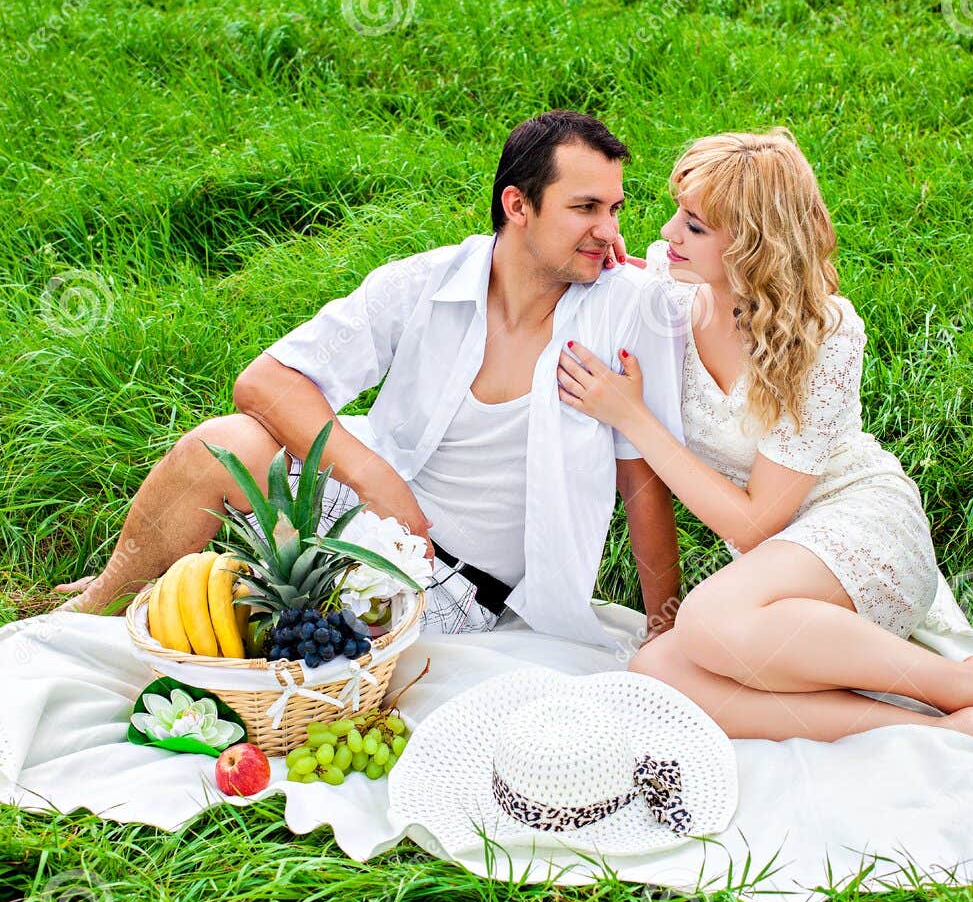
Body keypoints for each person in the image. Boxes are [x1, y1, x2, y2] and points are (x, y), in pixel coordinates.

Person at [56, 110, 687, 648]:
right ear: (517, 205)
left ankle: (197, 608)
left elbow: (641, 479)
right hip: (365, 509)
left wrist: (664, 628)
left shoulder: (623, 309)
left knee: (288, 632)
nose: (607, 231)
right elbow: (265, 380)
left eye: (613, 209)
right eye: (585, 208)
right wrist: (375, 479)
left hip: (449, 583)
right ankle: (103, 602)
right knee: (222, 445)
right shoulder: (427, 281)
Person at [557, 129, 973, 744]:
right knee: (654, 672)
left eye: (695, 226)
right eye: (678, 211)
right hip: (772, 576)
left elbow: (755, 526)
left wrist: (634, 419)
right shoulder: (668, 293)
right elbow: (603, 273)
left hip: (859, 528)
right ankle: (942, 728)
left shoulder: (823, 332)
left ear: (753, 246)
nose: (669, 233)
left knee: (707, 619)